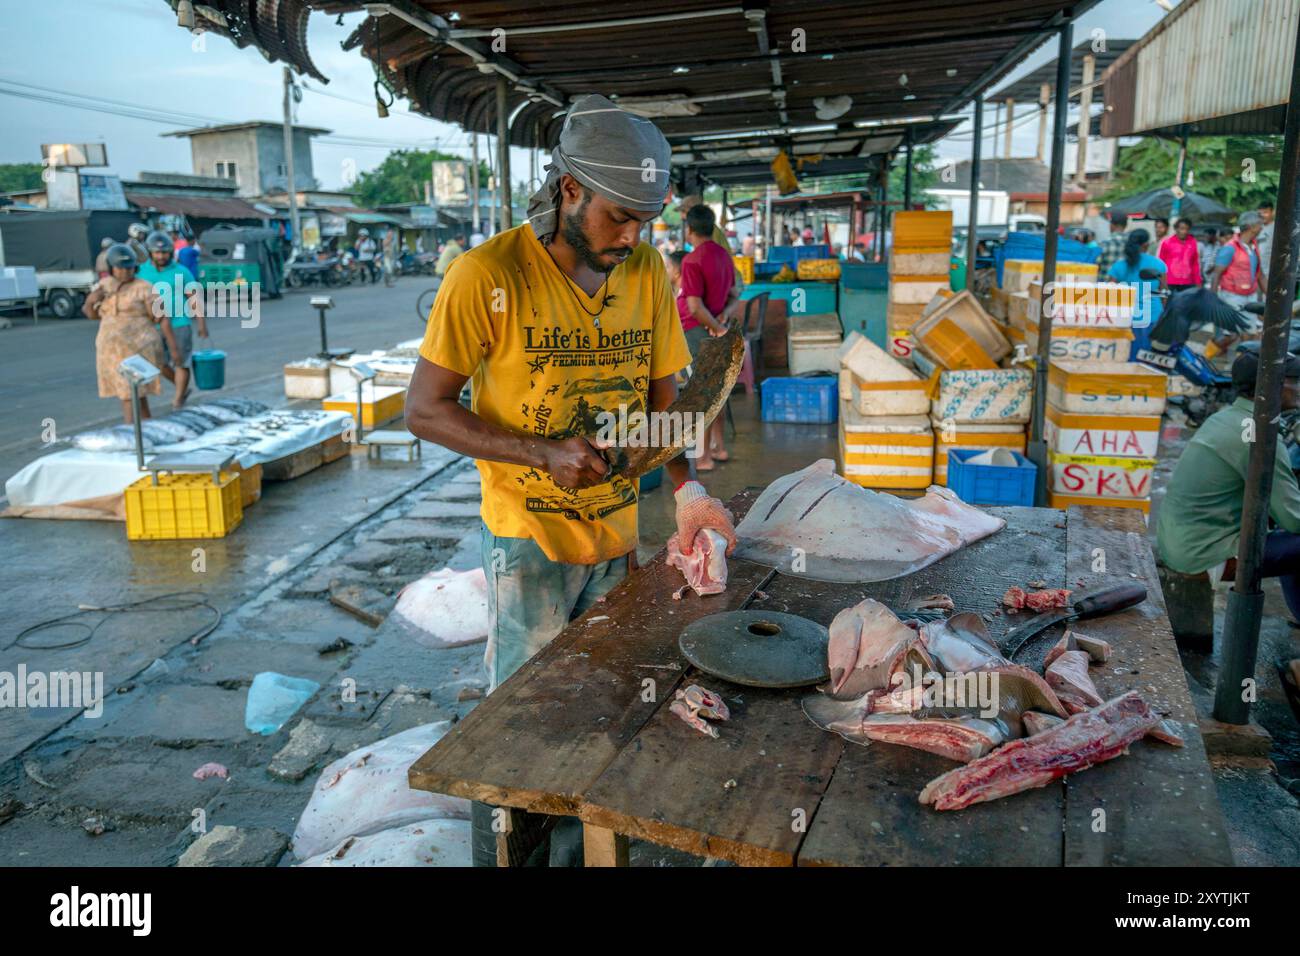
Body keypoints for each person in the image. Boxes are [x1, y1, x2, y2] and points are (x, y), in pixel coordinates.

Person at [404, 94, 737, 866]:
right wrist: (541, 452)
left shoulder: (647, 269)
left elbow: (666, 398)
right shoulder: (485, 275)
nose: (632, 236)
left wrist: (686, 493)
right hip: (527, 537)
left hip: (618, 534)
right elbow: (425, 411)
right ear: (569, 192)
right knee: (526, 726)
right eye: (618, 216)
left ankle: (586, 851)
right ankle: (513, 859)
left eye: (646, 220)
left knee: (607, 709)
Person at [1157, 351, 1300, 623]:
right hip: (1204, 553)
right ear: (1273, 385)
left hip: (1183, 541)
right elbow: (1294, 519)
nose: (1299, 387)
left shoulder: (1229, 418)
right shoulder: (1260, 432)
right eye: (1294, 380)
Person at [81, 243, 179, 424]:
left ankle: (131, 429)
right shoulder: (104, 286)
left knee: (129, 390)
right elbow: (92, 314)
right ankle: (146, 423)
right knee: (133, 393)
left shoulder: (145, 287)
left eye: (129, 268)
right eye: (120, 268)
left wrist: (173, 347)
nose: (125, 272)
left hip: (138, 345)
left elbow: (160, 317)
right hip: (111, 349)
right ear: (112, 268)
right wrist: (90, 302)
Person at [677, 202, 738, 471]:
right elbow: (735, 294)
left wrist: (715, 325)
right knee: (719, 391)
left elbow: (694, 307)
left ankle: (703, 457)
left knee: (702, 394)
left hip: (697, 331)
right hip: (715, 327)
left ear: (689, 229)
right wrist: (722, 319)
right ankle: (719, 448)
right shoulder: (723, 256)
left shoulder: (692, 260)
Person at [138, 230, 207, 408]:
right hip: (152, 326)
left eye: (165, 252)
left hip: (180, 323)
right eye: (157, 252)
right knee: (158, 364)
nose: (161, 256)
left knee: (181, 362)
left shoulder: (181, 271)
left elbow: (194, 297)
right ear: (150, 253)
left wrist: (201, 323)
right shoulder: (141, 272)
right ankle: (181, 387)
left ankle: (177, 400)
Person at [1211, 211, 1266, 314]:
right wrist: (1212, 302)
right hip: (1232, 297)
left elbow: (1260, 275)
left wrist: (1274, 299)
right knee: (1235, 329)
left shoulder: (1254, 247)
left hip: (1251, 297)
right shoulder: (1230, 248)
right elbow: (1216, 274)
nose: (1262, 228)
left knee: (1249, 329)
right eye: (1260, 224)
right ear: (1251, 227)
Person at [1158, 217, 1201, 293]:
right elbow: (1161, 263)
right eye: (1182, 229)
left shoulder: (1192, 242)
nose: (1184, 231)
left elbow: (1195, 264)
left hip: (1188, 282)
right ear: (1176, 229)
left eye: (1187, 229)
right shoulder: (1167, 243)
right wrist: (1161, 282)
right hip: (1170, 282)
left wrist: (1198, 282)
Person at [1096, 211, 1128, 277]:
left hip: (1105, 285)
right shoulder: (1132, 244)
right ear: (1126, 226)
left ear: (1112, 225)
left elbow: (1096, 266)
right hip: (1125, 285)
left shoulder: (1104, 244)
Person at [1257, 201, 1275, 286]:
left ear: (1272, 212)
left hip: (1270, 273)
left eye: (1265, 212)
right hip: (1256, 272)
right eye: (1260, 213)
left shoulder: (1277, 229)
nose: (1262, 215)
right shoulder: (1256, 228)